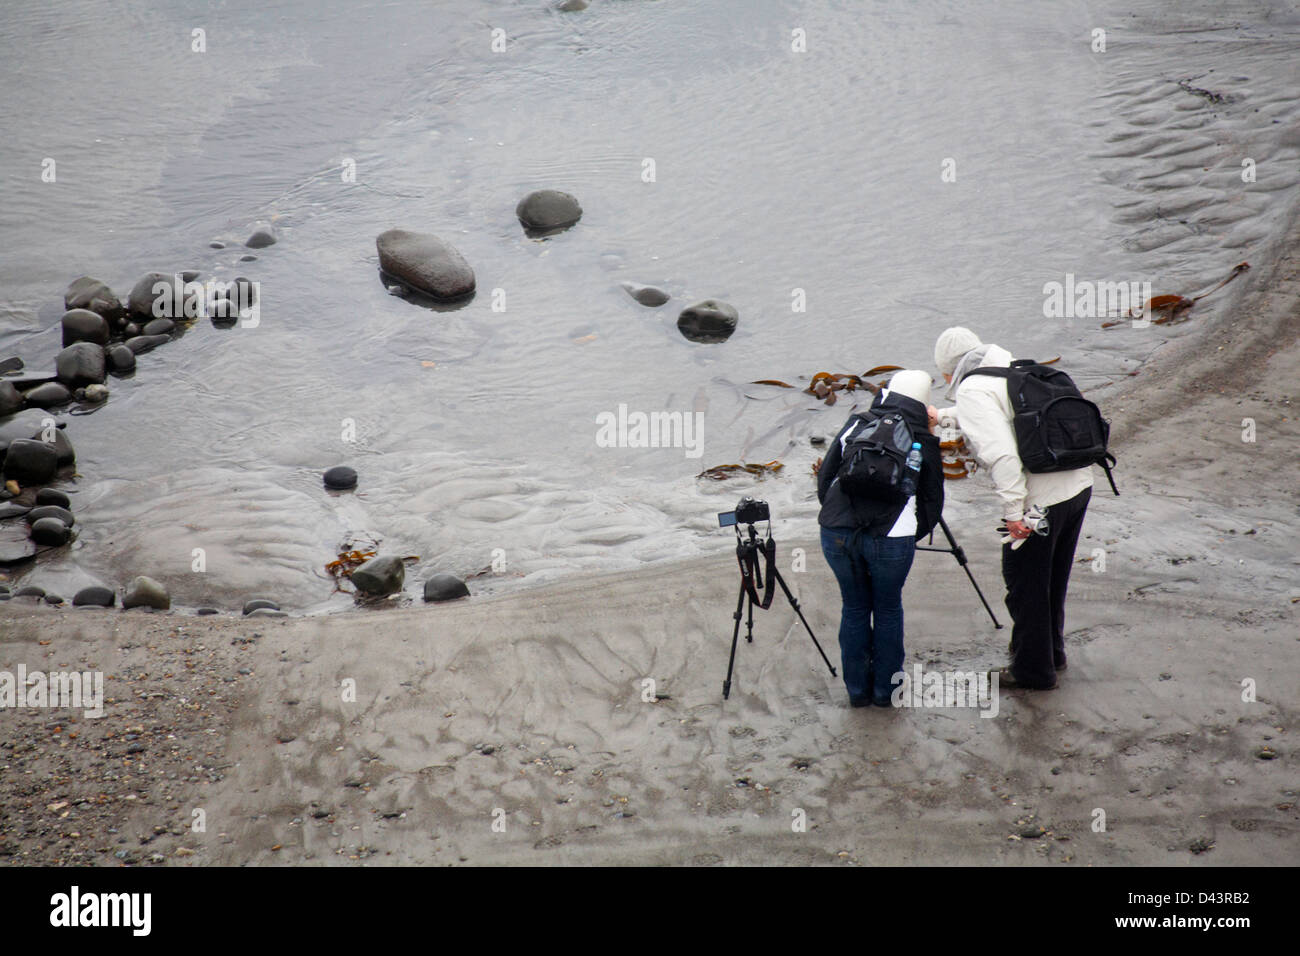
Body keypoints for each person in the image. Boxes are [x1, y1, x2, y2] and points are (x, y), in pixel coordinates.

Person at [933, 327, 1093, 690]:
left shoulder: (973, 388)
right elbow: (1006, 416)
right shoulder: (1012, 365)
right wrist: (941, 416)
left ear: (949, 370)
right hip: (1078, 484)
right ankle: (1053, 653)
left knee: (1023, 581)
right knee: (1052, 577)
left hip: (1041, 501)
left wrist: (1013, 514)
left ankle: (1033, 672)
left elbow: (1003, 454)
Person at [818, 369, 944, 707]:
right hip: (892, 539)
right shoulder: (923, 437)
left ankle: (857, 693)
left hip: (836, 532)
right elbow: (933, 503)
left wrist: (839, 520)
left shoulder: (857, 423)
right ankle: (885, 694)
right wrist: (906, 534)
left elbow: (826, 478)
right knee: (888, 609)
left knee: (854, 606)